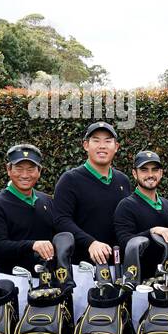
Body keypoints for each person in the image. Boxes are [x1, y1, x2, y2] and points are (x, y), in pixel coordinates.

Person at [52, 121, 132, 321]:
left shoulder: (123, 181)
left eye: (108, 141)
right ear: (86, 145)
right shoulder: (70, 179)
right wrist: (90, 242)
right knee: (85, 327)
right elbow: (61, 220)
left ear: (116, 147)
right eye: (96, 140)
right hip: (83, 269)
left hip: (117, 269)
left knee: (117, 328)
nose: (102, 146)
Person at [0, 143, 56, 317]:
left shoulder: (46, 200)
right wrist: (32, 245)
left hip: (46, 283)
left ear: (39, 171)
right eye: (19, 168)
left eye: (31, 169)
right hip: (12, 282)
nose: (25, 175)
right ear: (8, 170)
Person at [113, 150, 168, 323]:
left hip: (166, 283)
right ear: (134, 173)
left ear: (161, 173)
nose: (150, 175)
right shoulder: (126, 206)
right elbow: (125, 243)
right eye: (144, 170)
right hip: (139, 286)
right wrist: (152, 231)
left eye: (155, 170)